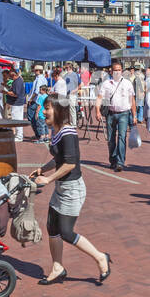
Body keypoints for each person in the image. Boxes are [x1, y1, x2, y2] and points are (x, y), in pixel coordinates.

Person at [30, 98, 110, 285]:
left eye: (47, 108)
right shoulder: (56, 131)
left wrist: (48, 179)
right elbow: (59, 159)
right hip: (62, 188)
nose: (43, 112)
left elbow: (70, 163)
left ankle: (100, 257)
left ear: (58, 109)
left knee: (66, 232)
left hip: (72, 190)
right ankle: (58, 268)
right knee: (52, 227)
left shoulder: (68, 133)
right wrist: (43, 169)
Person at [95, 61, 136, 171]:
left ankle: (120, 162)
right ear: (111, 71)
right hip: (111, 113)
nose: (117, 72)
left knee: (122, 137)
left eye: (119, 70)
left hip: (124, 113)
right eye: (115, 70)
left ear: (122, 71)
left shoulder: (127, 83)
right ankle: (113, 160)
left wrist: (134, 115)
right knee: (111, 138)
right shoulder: (106, 83)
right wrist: (97, 111)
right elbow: (99, 97)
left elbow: (132, 100)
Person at [3, 66, 27, 141]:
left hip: (17, 103)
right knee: (17, 119)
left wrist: (6, 92)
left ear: (14, 73)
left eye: (11, 71)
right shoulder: (17, 81)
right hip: (17, 103)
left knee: (17, 119)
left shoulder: (17, 81)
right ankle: (18, 135)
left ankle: (19, 136)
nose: (9, 73)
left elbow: (15, 94)